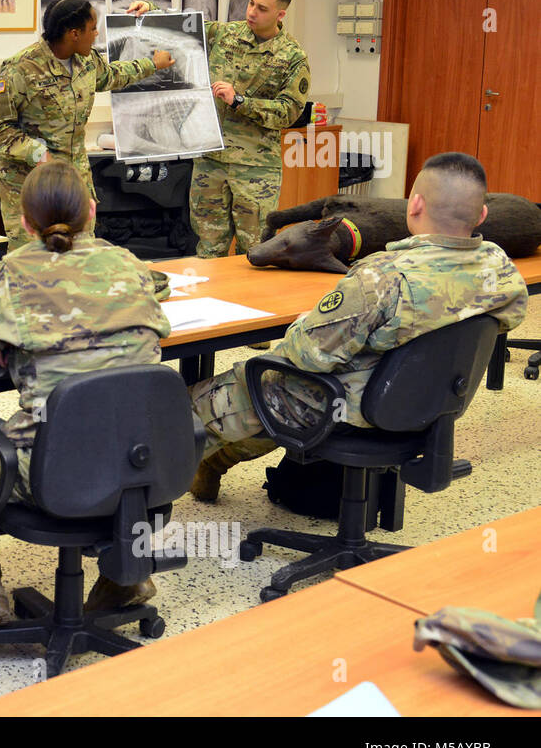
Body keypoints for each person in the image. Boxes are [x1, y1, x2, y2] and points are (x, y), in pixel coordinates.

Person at [189, 153, 528, 501]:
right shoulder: (500, 268)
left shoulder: (380, 276)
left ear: (414, 206)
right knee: (279, 394)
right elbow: (504, 321)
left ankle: (147, 500)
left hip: (349, 408)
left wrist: (306, 321)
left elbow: (308, 355)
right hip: (426, 407)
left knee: (242, 386)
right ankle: (213, 465)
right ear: (483, 214)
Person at [0, 161, 172, 626]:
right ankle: (126, 574)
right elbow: (160, 293)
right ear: (92, 212)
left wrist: (6, 354)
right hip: (141, 466)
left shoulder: (5, 275)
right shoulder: (130, 265)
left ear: (23, 222)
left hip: (48, 477)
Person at [129, 0, 311, 257]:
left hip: (254, 168)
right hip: (210, 161)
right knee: (208, 250)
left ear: (280, 14)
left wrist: (241, 101)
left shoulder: (292, 57)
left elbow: (288, 112)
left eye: (262, 8)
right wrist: (150, 9)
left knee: (256, 251)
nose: (251, 12)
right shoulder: (227, 34)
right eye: (251, 3)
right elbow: (184, 25)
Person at [0, 0, 176, 249]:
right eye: (93, 29)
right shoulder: (21, 69)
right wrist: (39, 153)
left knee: (81, 256)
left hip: (75, 183)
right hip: (31, 187)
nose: (96, 35)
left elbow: (111, 76)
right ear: (74, 34)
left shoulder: (86, 61)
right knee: (33, 262)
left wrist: (153, 64)